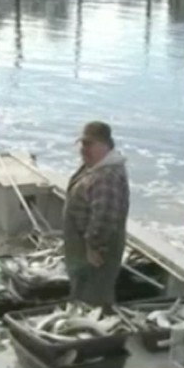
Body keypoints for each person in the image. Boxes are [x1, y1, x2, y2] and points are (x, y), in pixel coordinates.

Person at [63, 121, 131, 307]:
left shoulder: (106, 177)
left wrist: (93, 246)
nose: (83, 150)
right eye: (82, 144)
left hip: (96, 259)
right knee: (82, 298)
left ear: (105, 146)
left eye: (88, 144)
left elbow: (105, 217)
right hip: (82, 254)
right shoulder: (94, 167)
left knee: (93, 303)